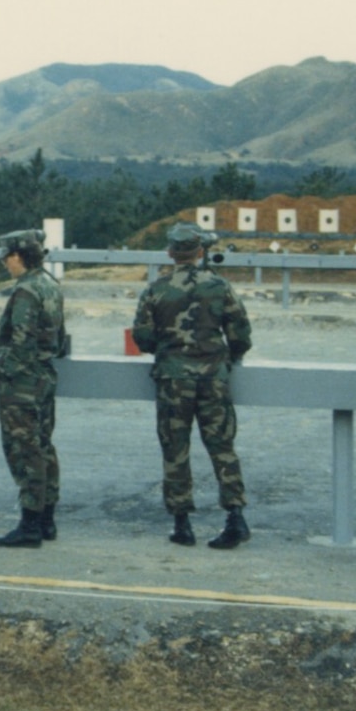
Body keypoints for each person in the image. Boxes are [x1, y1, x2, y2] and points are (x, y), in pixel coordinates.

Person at [132, 222, 253, 549]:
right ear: (201, 252)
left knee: (175, 448)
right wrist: (229, 358)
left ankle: (182, 523)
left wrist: (166, 349)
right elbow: (241, 334)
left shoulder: (156, 289)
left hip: (173, 380)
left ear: (171, 253)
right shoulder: (219, 285)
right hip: (213, 378)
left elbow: (142, 337)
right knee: (222, 447)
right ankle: (235, 517)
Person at [0, 228, 70, 548]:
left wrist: (3, 374)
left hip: (22, 383)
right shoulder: (51, 285)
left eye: (7, 258)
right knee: (44, 447)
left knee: (25, 450)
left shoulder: (25, 292)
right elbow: (60, 339)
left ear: (18, 256)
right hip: (44, 377)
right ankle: (46, 519)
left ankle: (30, 524)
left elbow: (20, 342)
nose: (5, 264)